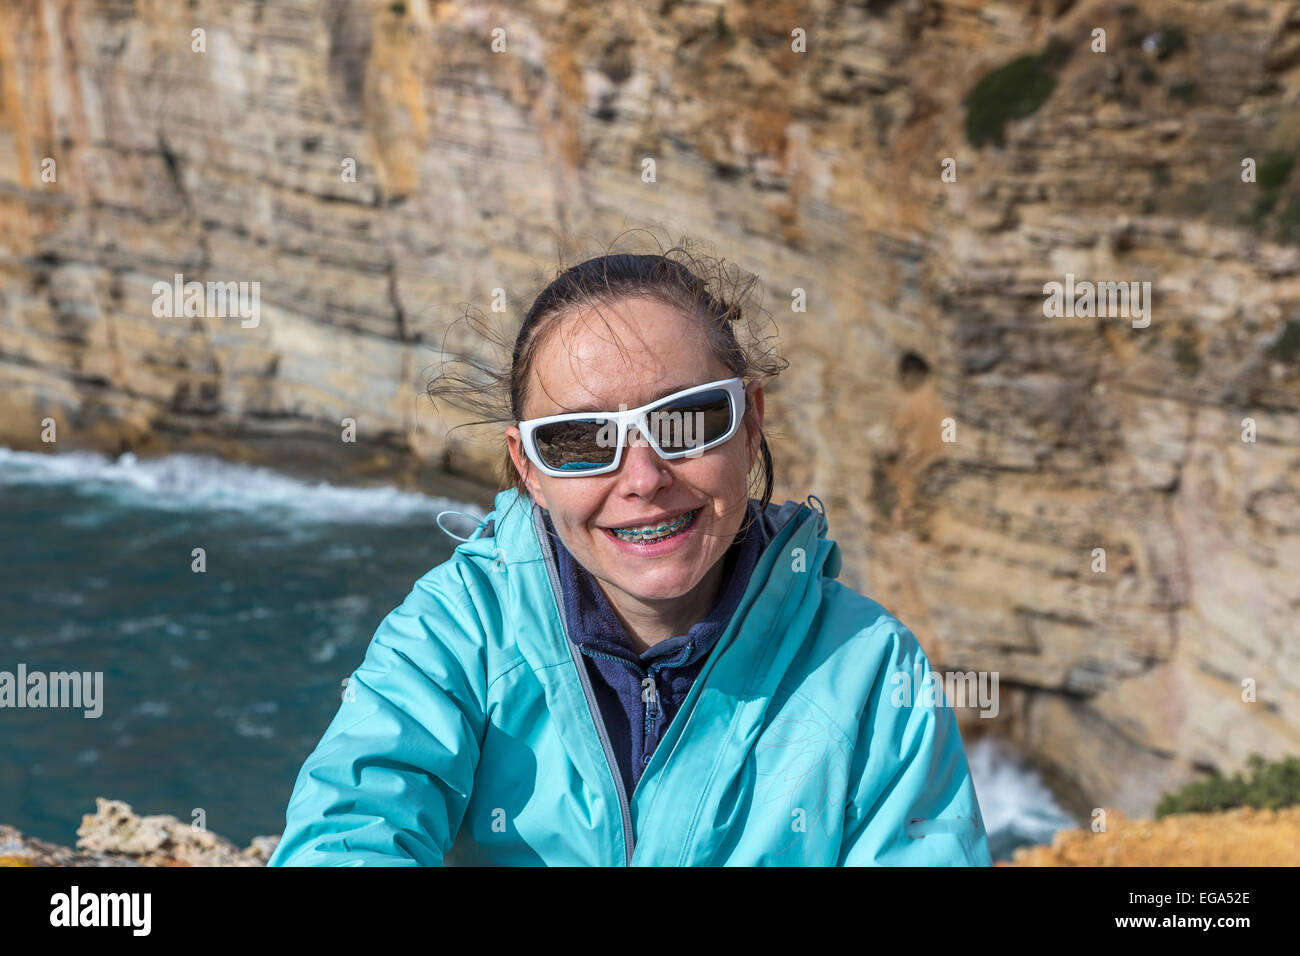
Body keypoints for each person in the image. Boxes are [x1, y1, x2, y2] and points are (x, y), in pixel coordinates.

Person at [268, 245, 992, 866]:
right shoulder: (457, 632)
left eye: (688, 420)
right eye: (581, 440)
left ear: (750, 423)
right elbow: (350, 830)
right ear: (528, 467)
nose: (643, 479)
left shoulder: (867, 670)